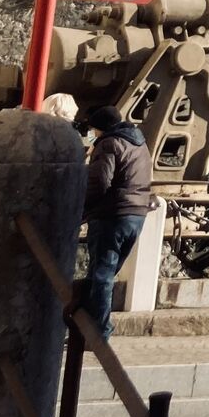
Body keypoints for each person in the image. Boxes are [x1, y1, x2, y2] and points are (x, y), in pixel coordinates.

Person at [82, 105, 152, 339]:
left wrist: (82, 210)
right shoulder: (140, 144)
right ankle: (88, 326)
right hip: (137, 214)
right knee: (106, 274)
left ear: (100, 127)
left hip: (112, 215)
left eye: (94, 129)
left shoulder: (109, 144)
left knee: (101, 274)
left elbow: (100, 182)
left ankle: (99, 331)